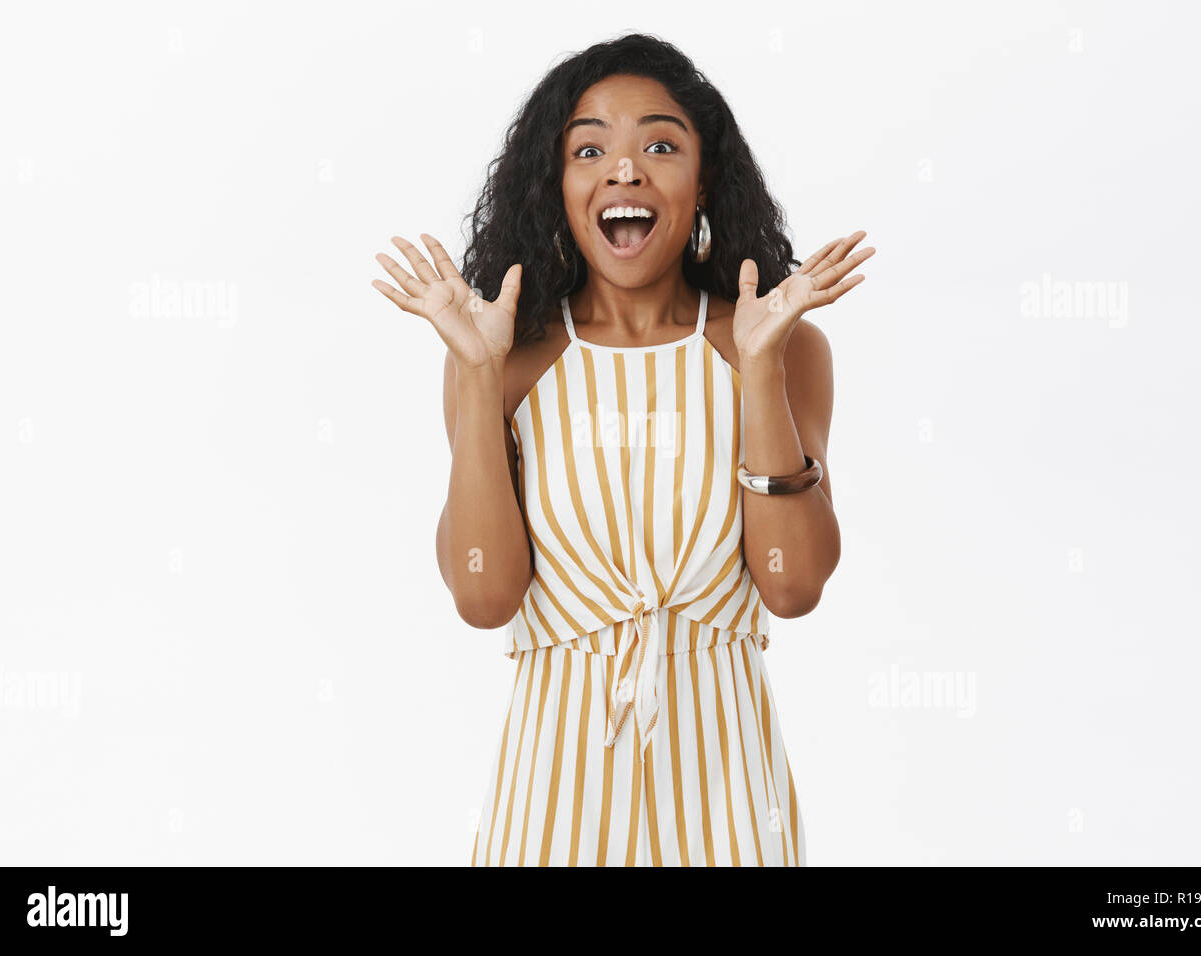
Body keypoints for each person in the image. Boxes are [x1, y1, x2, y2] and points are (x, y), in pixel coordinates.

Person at [372, 32, 874, 866]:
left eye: (661, 144)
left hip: (729, 803)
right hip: (551, 801)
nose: (626, 169)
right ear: (559, 186)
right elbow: (484, 596)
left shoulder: (780, 348)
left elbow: (792, 586)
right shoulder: (508, 361)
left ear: (704, 177)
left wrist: (758, 370)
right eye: (590, 149)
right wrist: (473, 375)